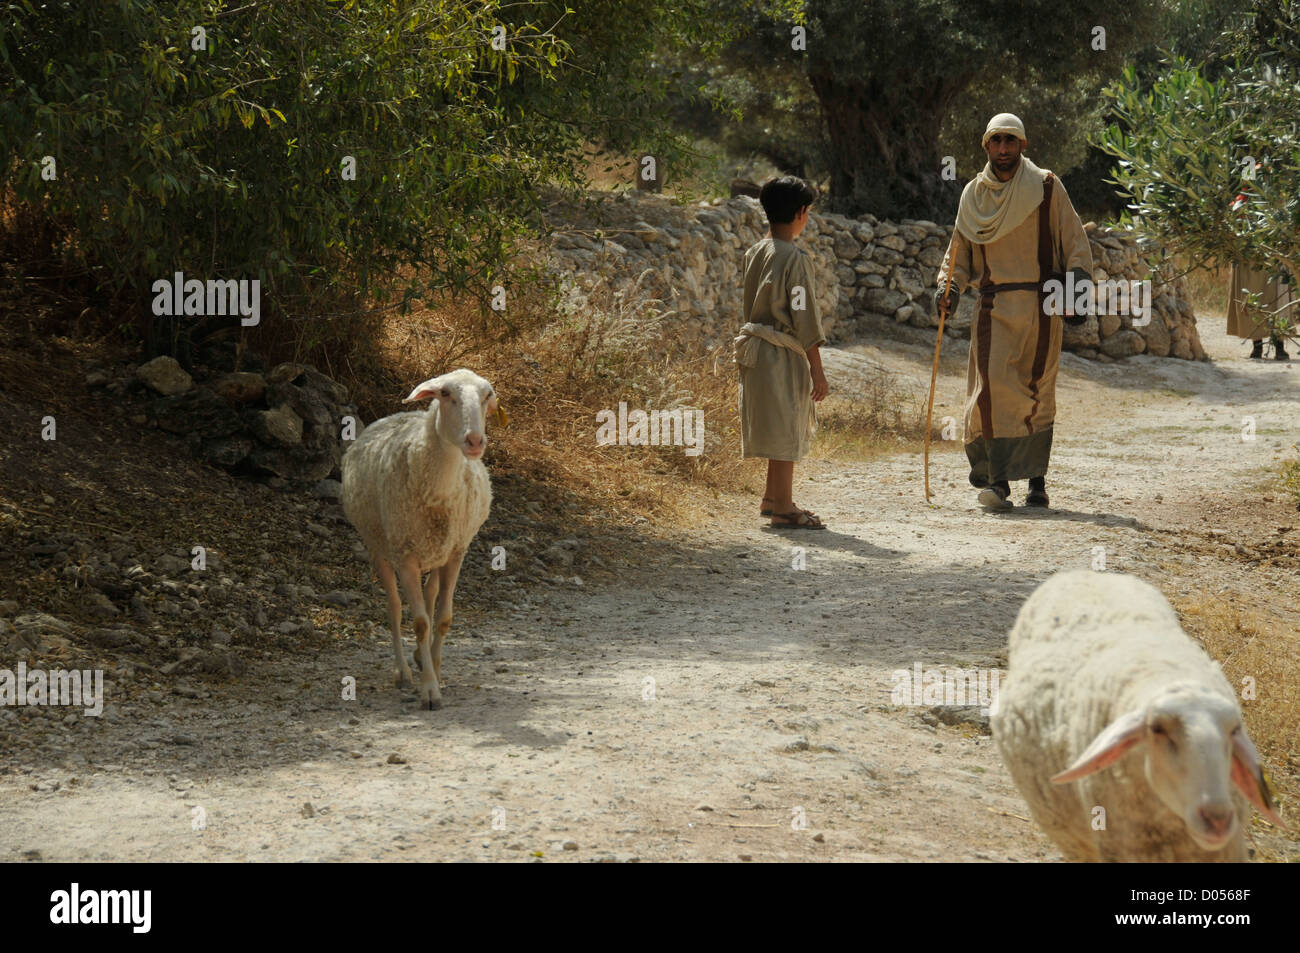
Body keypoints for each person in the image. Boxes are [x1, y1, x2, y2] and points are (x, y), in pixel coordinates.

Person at [935, 113, 1093, 511]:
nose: (1003, 149)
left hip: (1042, 306)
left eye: (1010, 141)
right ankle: (998, 482)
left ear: (1023, 145)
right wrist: (948, 287)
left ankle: (1036, 481)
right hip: (994, 308)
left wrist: (1076, 287)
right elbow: (959, 254)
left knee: (1036, 393)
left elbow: (1074, 240)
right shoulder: (973, 195)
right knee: (991, 391)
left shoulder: (1046, 187)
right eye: (996, 141)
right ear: (986, 146)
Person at [734, 175, 829, 529]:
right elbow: (803, 315)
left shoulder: (755, 251)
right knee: (788, 425)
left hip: (755, 351)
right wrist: (817, 369)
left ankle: (772, 496)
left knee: (775, 424)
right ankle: (785, 509)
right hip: (781, 353)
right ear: (802, 213)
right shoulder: (795, 258)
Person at [1226, 262, 1291, 360]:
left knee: (1277, 297)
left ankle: (1279, 345)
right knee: (1252, 290)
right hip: (1250, 258)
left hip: (1273, 256)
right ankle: (1257, 346)